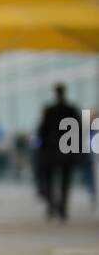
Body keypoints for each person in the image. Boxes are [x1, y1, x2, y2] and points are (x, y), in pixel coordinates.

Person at [37, 83, 82, 220]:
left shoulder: (50, 111)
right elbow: (78, 132)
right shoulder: (71, 110)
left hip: (51, 151)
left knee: (50, 179)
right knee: (65, 181)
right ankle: (62, 207)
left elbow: (42, 132)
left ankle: (52, 205)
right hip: (67, 150)